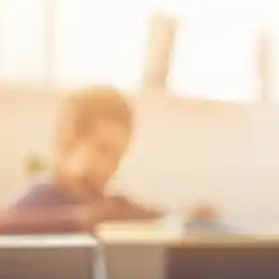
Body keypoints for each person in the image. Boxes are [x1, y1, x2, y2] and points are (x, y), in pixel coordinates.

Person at [1, 87, 161, 234]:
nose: (111, 165)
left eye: (118, 156)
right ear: (69, 141)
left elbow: (159, 218)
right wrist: (81, 220)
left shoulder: (107, 204)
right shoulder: (38, 199)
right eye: (103, 150)